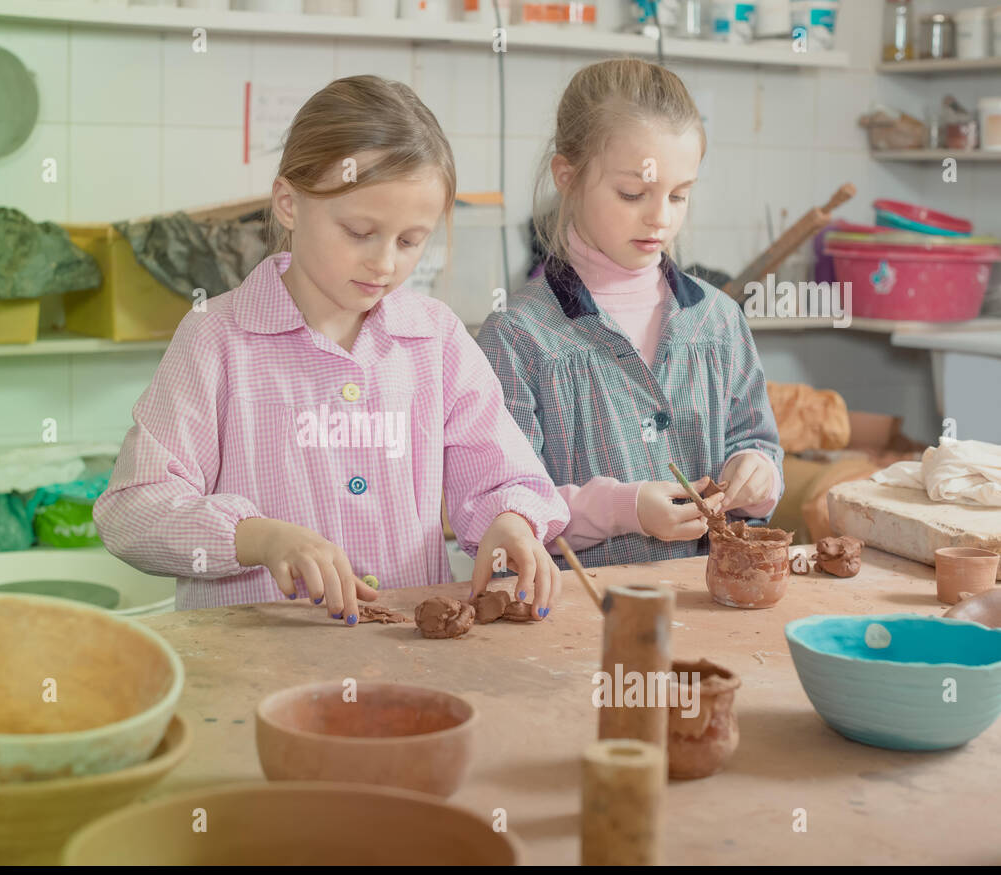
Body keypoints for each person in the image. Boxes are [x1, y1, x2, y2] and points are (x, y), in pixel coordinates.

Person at [95, 76, 570, 620]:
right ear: (288, 204)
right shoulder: (217, 337)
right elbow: (132, 510)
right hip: (251, 664)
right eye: (359, 231)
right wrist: (257, 538)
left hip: (402, 661)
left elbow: (502, 477)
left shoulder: (435, 339)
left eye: (411, 240)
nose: (385, 263)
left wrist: (508, 523)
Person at [478, 58, 784, 568]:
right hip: (571, 629)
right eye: (633, 193)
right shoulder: (517, 338)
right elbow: (504, 509)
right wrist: (623, 510)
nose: (660, 218)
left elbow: (757, 442)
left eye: (679, 195)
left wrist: (755, 471)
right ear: (568, 178)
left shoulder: (718, 321)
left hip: (705, 615)